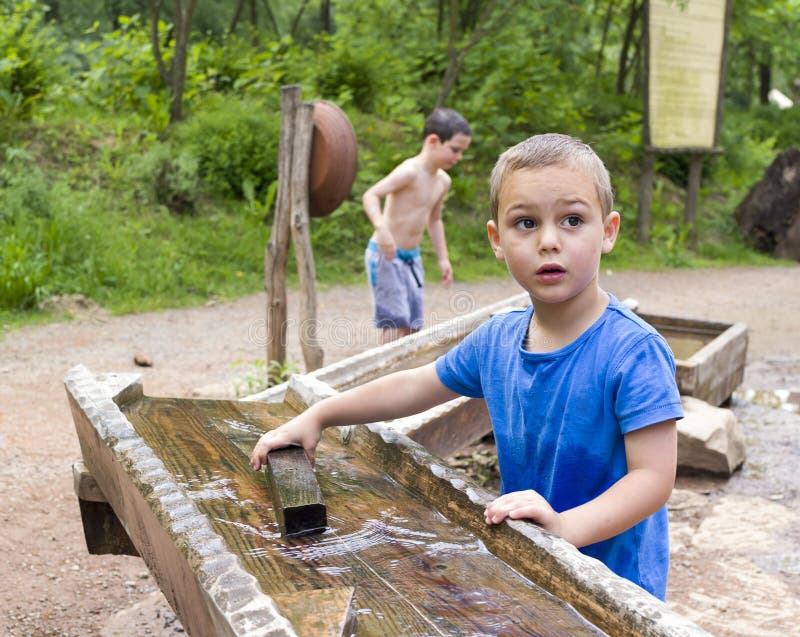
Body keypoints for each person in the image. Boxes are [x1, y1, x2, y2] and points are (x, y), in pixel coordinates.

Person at [251, 133, 682, 600]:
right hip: (530, 566)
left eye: (573, 220)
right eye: (526, 223)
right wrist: (319, 416)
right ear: (497, 240)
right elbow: (414, 385)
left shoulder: (634, 351)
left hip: (614, 588)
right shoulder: (497, 340)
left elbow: (653, 478)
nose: (549, 242)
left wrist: (565, 528)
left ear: (608, 231)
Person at [362, 108, 472, 343]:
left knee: (413, 324)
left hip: (412, 258)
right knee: (395, 321)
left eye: (462, 151)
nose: (459, 157)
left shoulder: (443, 181)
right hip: (386, 256)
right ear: (433, 140)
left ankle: (404, 367)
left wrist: (443, 259)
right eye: (455, 150)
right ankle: (386, 366)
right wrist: (382, 229)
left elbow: (435, 219)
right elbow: (371, 195)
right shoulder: (410, 171)